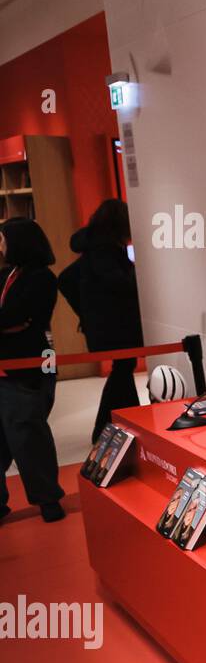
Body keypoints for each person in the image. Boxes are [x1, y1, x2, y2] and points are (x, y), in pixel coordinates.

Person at [0, 218, 65, 523]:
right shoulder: (7, 275)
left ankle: (48, 499)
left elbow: (21, 317)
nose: (0, 245)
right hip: (7, 365)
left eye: (3, 238)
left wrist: (13, 323)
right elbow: (10, 320)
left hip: (29, 366)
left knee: (29, 435)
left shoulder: (41, 278)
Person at [68, 199, 143, 443]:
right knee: (123, 369)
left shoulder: (95, 248)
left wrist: (87, 312)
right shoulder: (105, 251)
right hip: (116, 326)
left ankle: (122, 424)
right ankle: (114, 426)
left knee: (123, 370)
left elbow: (65, 279)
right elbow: (122, 284)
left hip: (107, 326)